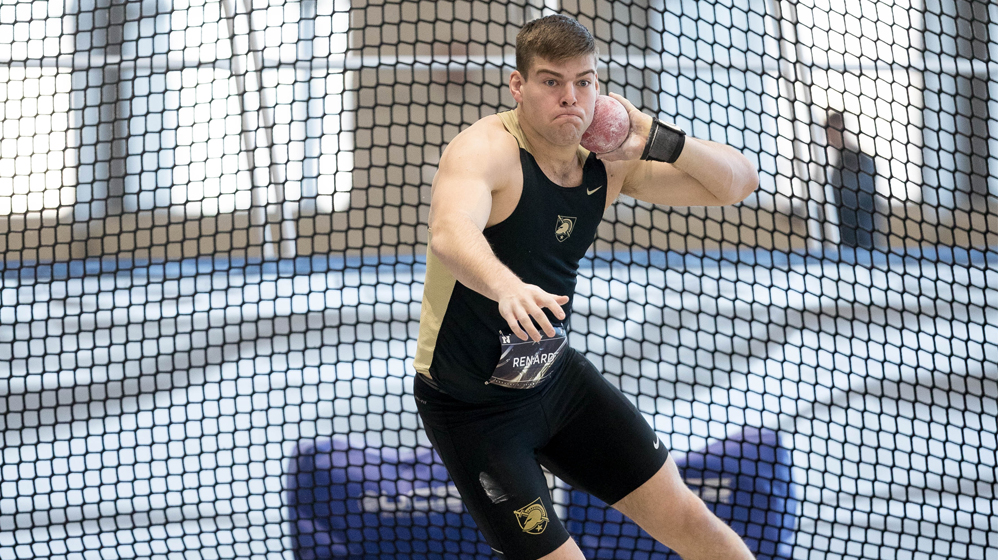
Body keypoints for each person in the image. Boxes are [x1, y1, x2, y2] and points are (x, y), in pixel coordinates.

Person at [411, 14, 759, 560]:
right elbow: (450, 231)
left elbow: (737, 184)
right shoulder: (486, 150)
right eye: (551, 81)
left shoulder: (607, 164)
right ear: (518, 85)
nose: (570, 97)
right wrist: (506, 287)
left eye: (584, 82)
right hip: (473, 410)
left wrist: (658, 138)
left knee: (690, 519)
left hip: (556, 381)